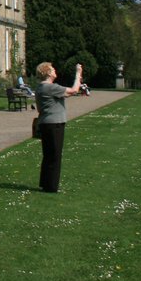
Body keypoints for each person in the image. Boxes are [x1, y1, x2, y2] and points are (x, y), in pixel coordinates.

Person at [34, 61, 84, 193]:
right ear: (48, 73)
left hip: (46, 123)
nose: (55, 71)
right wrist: (78, 74)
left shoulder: (40, 87)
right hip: (54, 124)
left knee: (48, 155)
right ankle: (51, 186)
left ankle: (46, 183)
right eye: (52, 69)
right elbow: (74, 90)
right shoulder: (50, 87)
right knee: (55, 155)